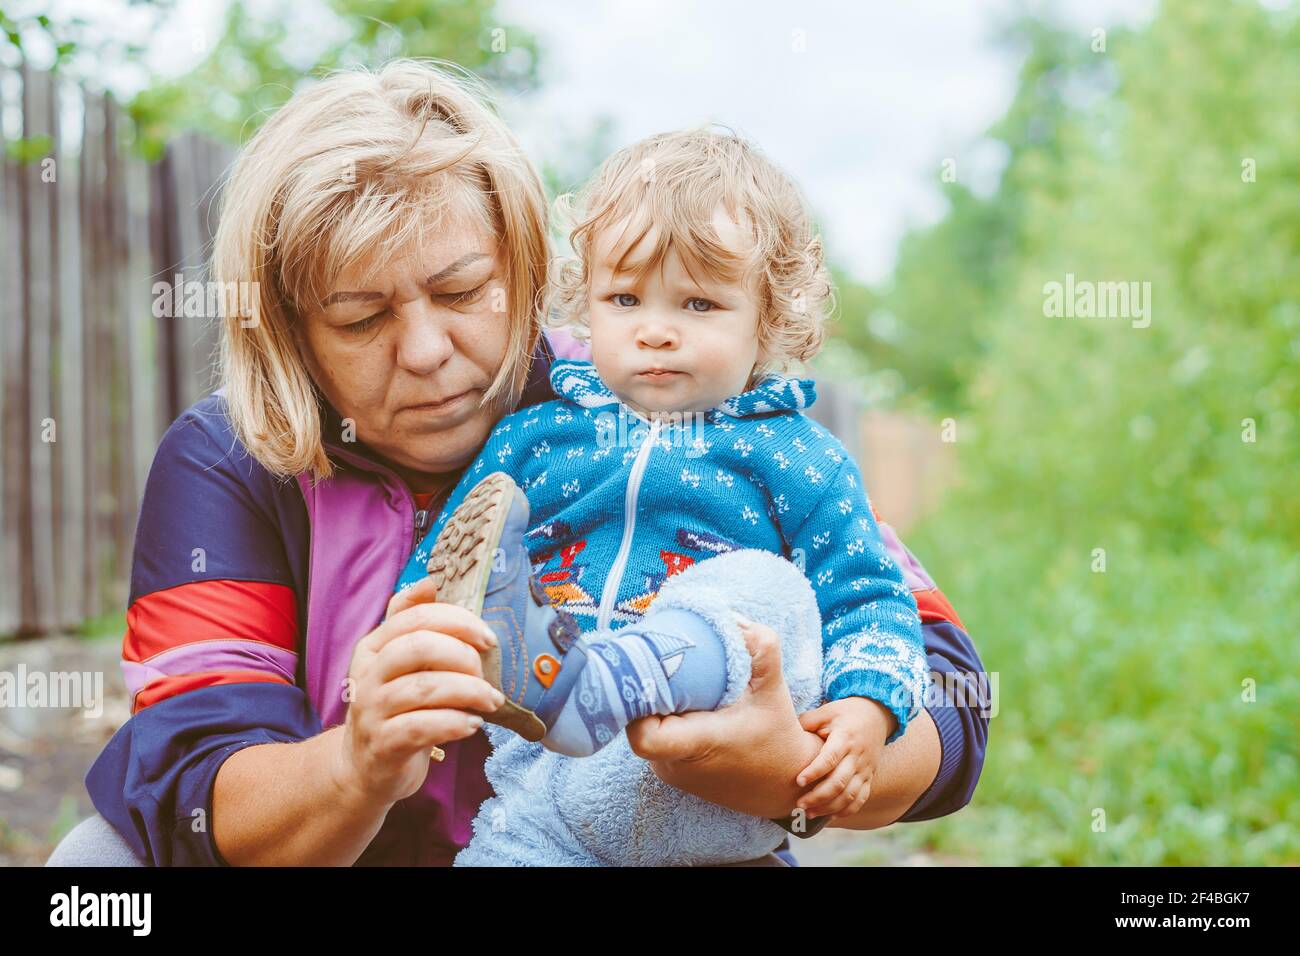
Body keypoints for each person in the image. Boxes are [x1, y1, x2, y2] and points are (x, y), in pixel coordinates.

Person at [45, 60, 988, 868]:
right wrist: (356, 763)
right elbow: (193, 786)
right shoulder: (229, 464)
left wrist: (800, 773)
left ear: (528, 269)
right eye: (360, 317)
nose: (424, 350)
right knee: (93, 872)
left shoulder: (638, 401)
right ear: (289, 332)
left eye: (461, 291)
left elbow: (942, 676)